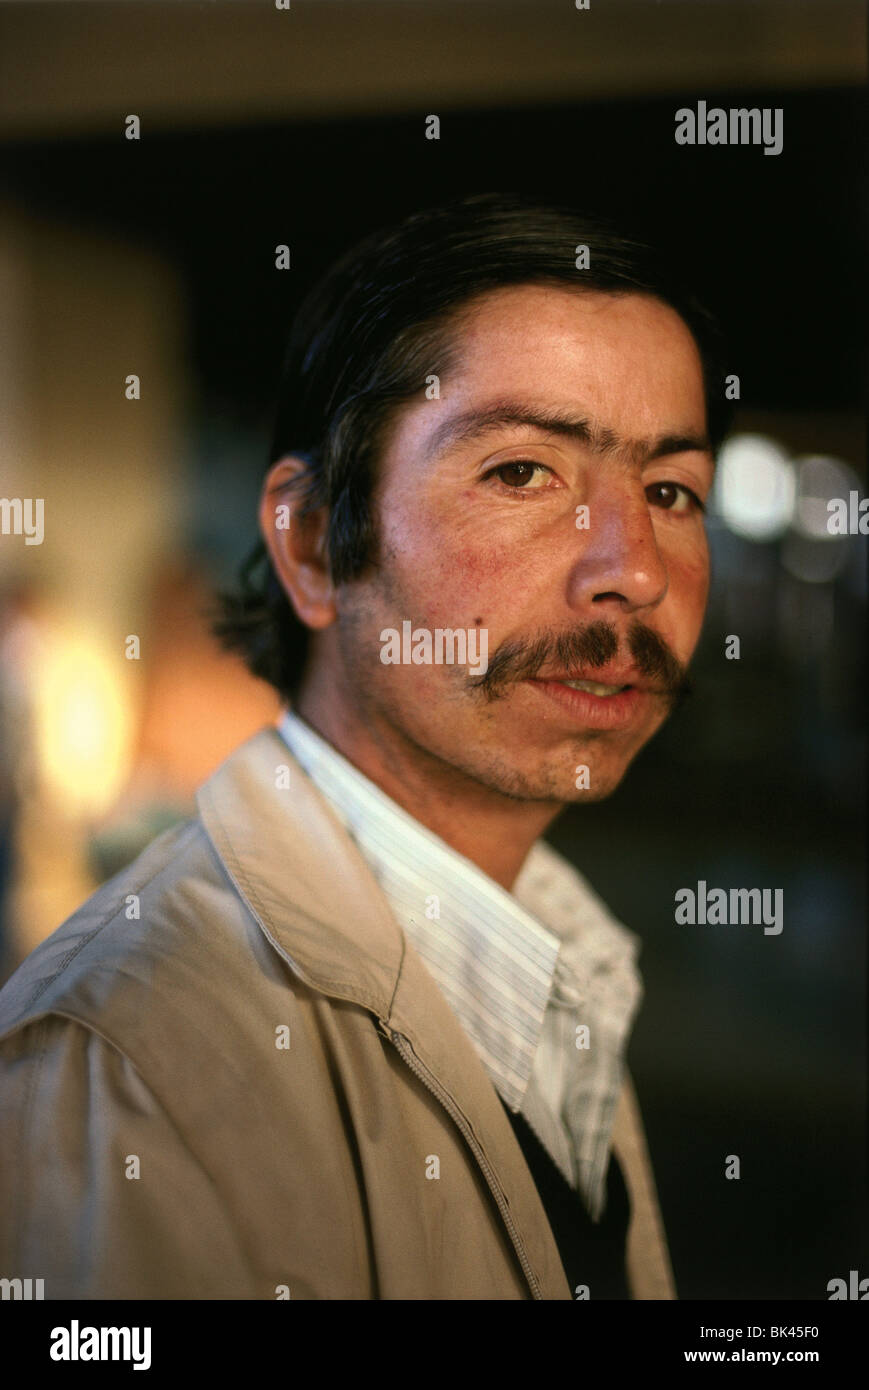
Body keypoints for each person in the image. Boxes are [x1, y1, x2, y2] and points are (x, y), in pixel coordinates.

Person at [0, 194, 730, 1300]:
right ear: (308, 543)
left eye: (670, 489)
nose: (630, 567)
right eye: (522, 473)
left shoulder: (560, 963)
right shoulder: (131, 1060)